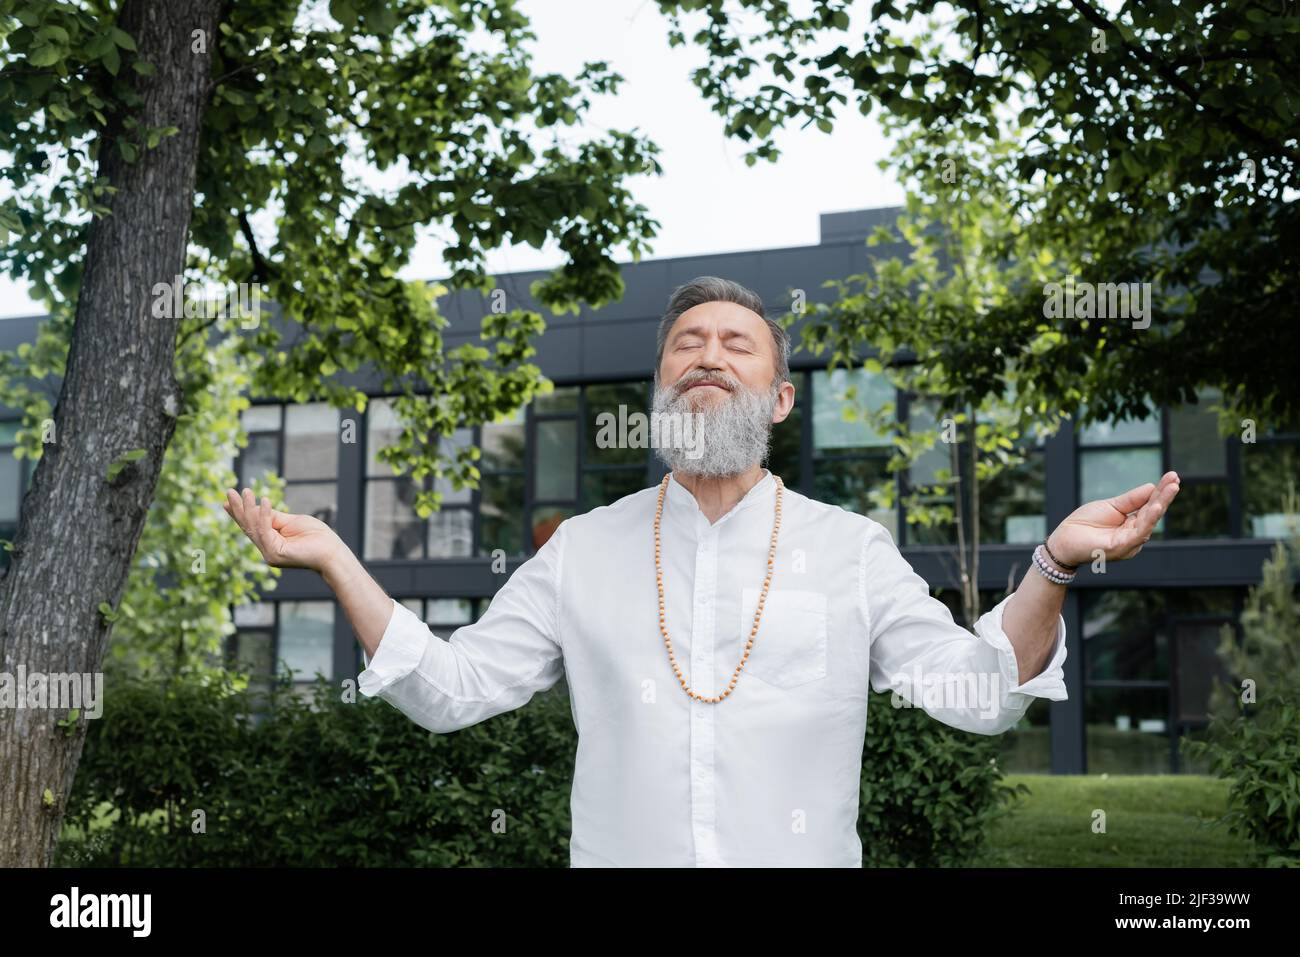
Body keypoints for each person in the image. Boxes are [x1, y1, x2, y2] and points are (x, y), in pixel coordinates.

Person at [223, 276, 1181, 867]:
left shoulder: (850, 550)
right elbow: (451, 690)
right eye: (687, 344)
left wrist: (1053, 562)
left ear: (779, 398)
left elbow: (980, 695)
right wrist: (337, 559)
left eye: (736, 344)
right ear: (658, 391)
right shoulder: (581, 549)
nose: (707, 356)